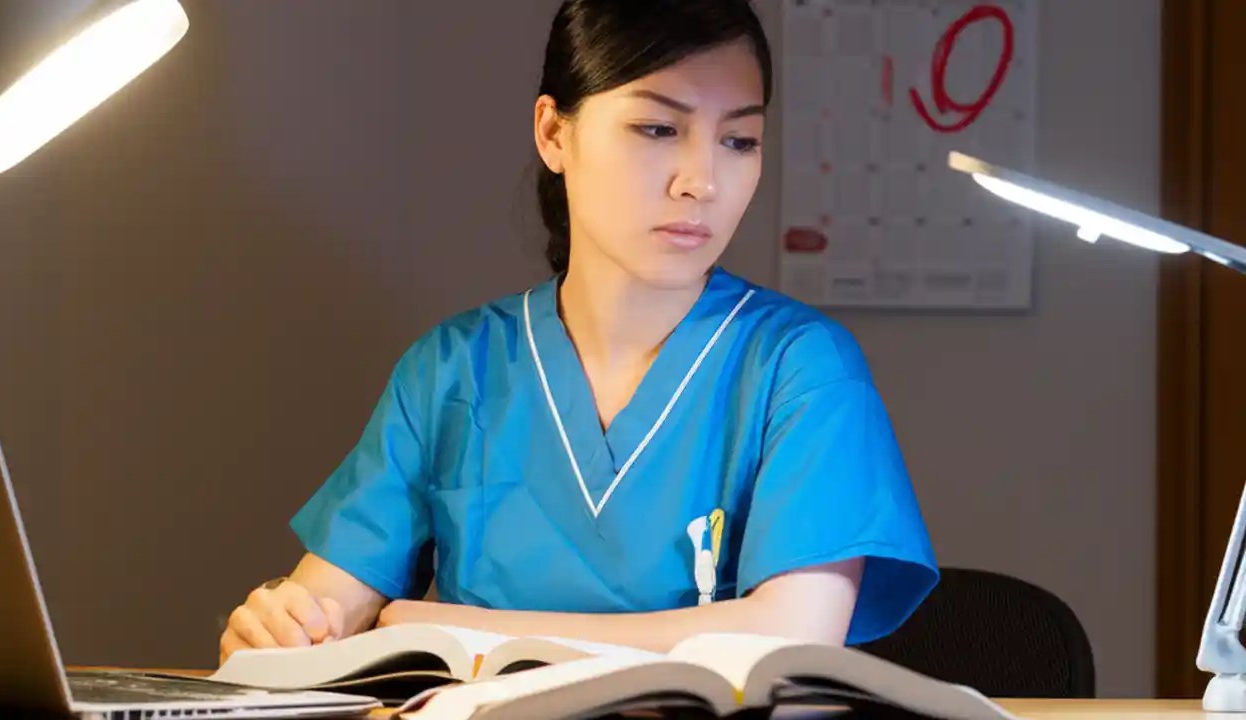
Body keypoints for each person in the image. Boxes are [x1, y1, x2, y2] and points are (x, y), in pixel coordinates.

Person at [218, 0, 938, 665]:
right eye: (658, 128)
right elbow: (322, 615)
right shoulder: (453, 370)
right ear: (554, 133)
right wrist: (281, 631)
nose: (703, 181)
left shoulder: (799, 368)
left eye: (740, 140)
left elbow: (789, 640)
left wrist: (458, 633)